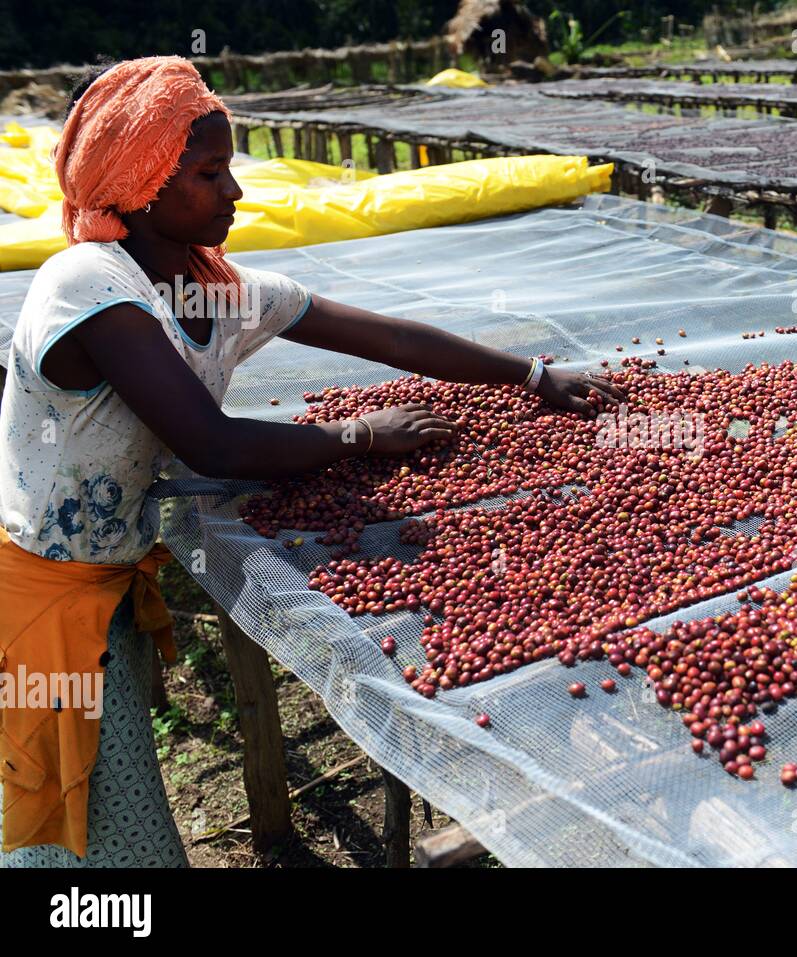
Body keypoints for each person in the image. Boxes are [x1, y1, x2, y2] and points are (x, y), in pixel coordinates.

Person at [0, 55, 624, 867]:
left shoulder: (211, 288)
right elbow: (212, 443)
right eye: (209, 172)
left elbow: (387, 336)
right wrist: (359, 435)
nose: (236, 193)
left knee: (94, 808)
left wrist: (534, 374)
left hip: (101, 580)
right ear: (143, 183)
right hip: (37, 604)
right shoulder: (88, 282)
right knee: (90, 833)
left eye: (232, 170)